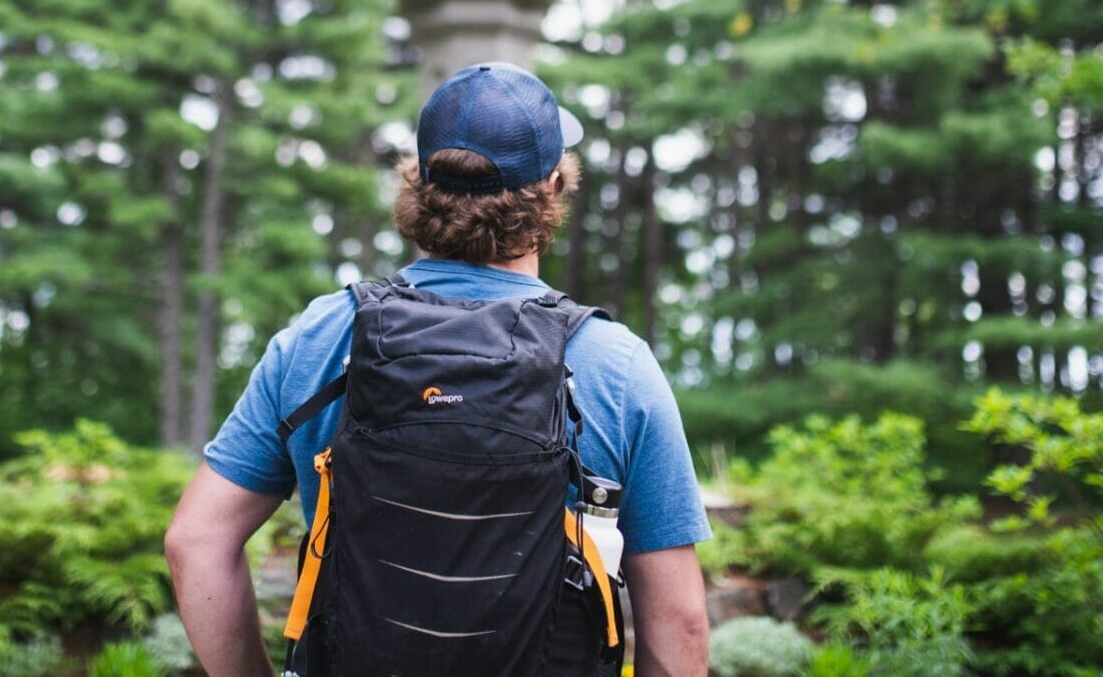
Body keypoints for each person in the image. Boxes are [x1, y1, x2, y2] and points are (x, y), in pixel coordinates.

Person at [166, 63, 711, 677]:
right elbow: (680, 623)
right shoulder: (615, 364)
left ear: (419, 182)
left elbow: (196, 541)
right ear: (553, 186)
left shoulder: (320, 337)